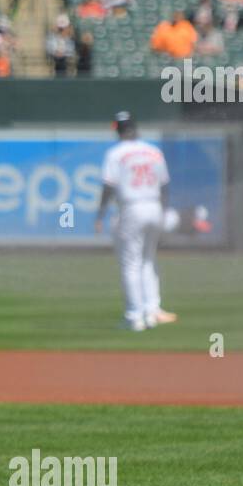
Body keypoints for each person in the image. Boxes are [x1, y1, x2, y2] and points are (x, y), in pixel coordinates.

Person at [94, 111, 172, 331]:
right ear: (135, 129)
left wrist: (100, 215)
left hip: (132, 208)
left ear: (117, 130)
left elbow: (108, 186)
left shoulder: (116, 153)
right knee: (148, 260)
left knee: (131, 264)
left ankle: (134, 317)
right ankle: (152, 310)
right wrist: (163, 214)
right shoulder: (153, 150)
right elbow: (165, 185)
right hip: (154, 205)